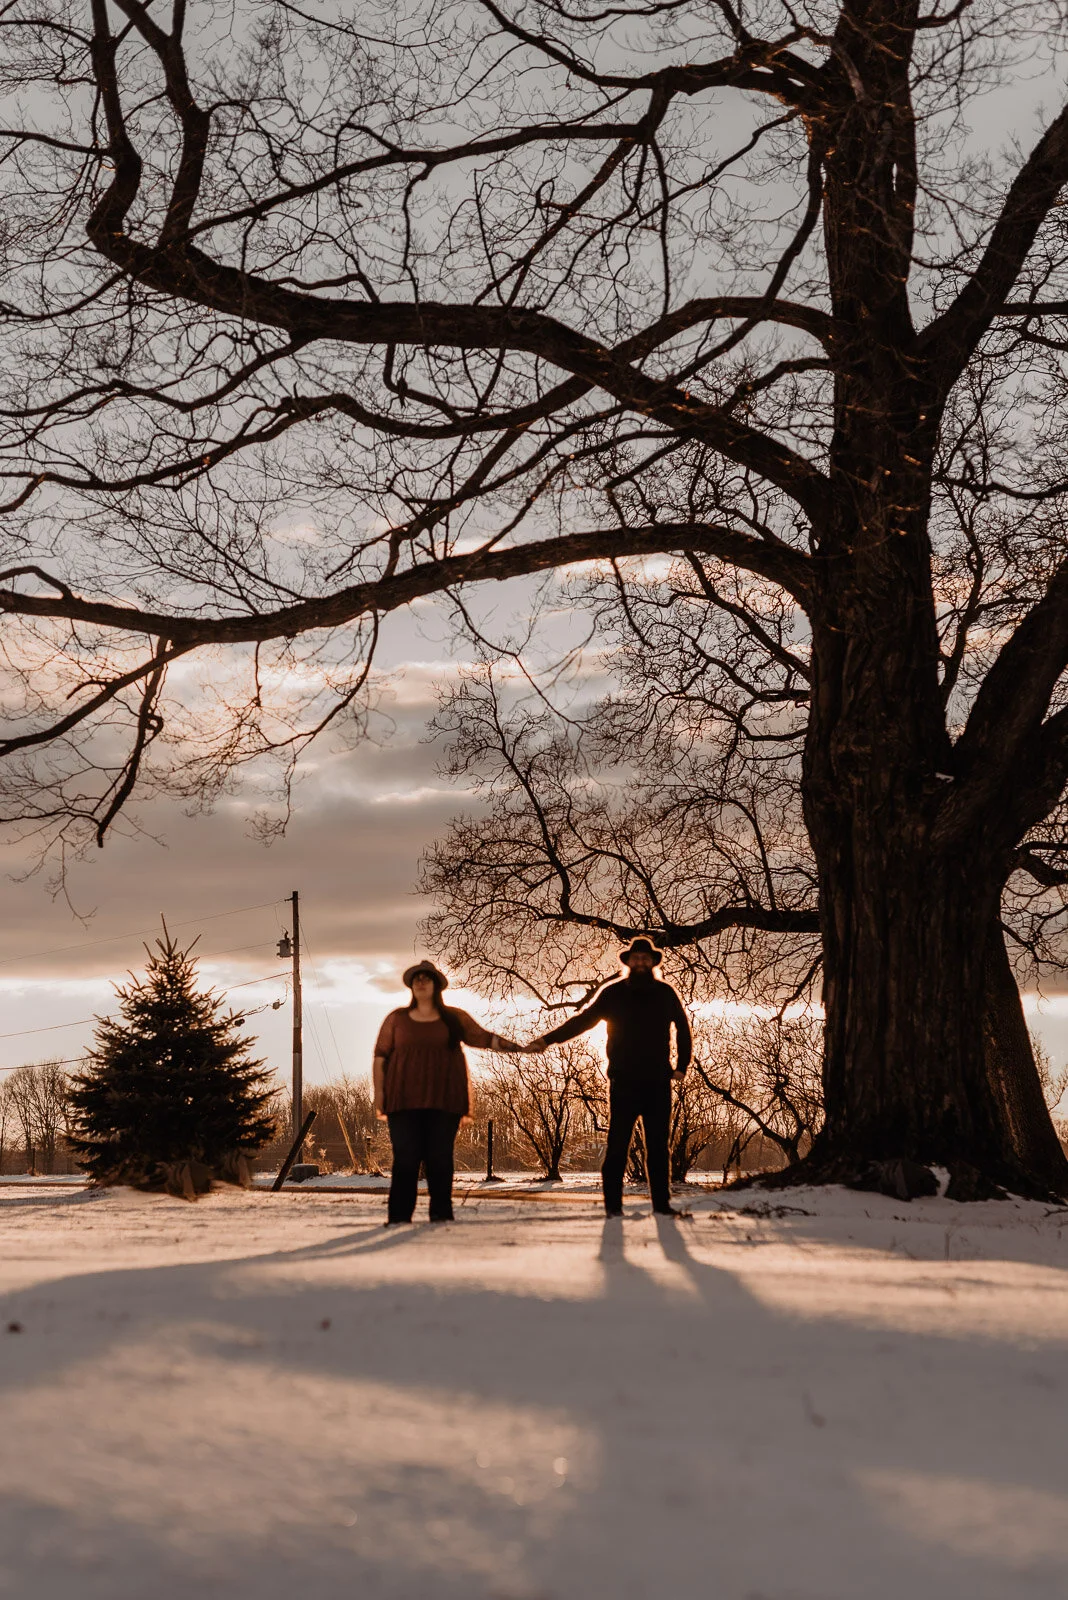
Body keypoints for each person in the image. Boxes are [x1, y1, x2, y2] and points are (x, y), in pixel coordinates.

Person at [527, 938, 691, 1218]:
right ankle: (613, 1209)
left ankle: (662, 1207)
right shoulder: (613, 993)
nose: (641, 962)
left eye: (645, 958)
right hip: (623, 1081)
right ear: (628, 962)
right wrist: (547, 1040)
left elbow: (683, 1029)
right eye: (636, 958)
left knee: (658, 1149)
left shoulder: (665, 993)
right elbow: (583, 1020)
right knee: (617, 1146)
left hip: (658, 1082)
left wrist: (681, 1066)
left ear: (653, 962)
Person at [373, 961, 524, 1224]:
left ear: (437, 985)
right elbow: (380, 1056)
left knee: (439, 1158)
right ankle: (398, 1217)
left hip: (444, 1100)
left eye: (427, 978)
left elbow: (484, 1038)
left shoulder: (454, 1018)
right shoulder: (396, 1019)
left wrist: (517, 1047)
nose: (421, 982)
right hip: (403, 1101)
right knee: (406, 1158)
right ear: (411, 986)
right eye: (417, 979)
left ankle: (441, 1215)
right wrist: (379, 1092)